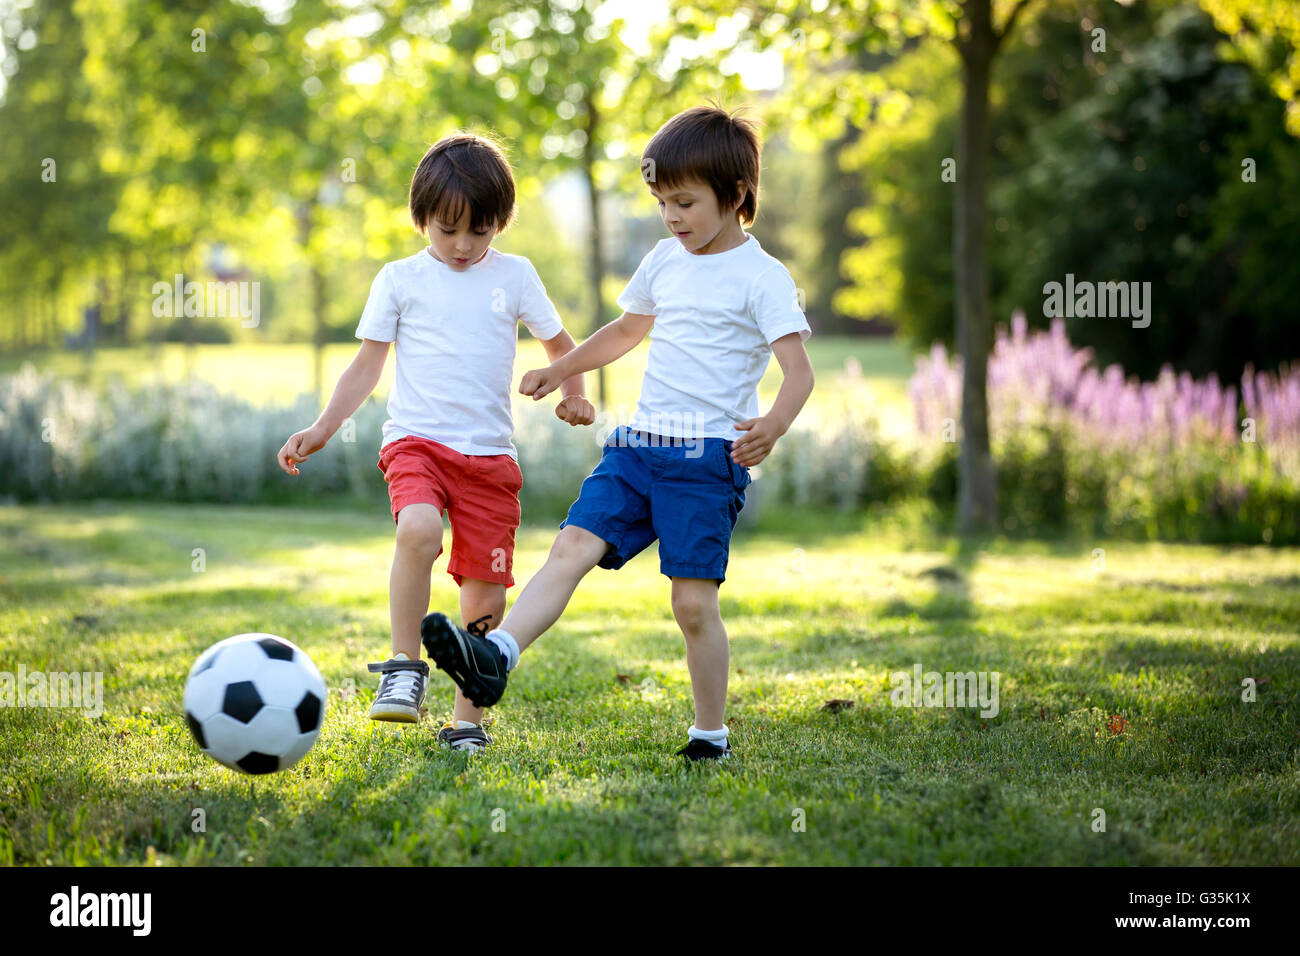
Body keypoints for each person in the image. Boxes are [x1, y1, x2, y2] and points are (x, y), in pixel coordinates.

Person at [421, 104, 815, 761]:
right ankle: (495, 657)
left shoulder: (763, 278)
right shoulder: (665, 260)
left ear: (736, 194)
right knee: (571, 545)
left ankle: (710, 734)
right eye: (663, 202)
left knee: (692, 604)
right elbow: (627, 331)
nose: (672, 217)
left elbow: (798, 372)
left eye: (685, 203)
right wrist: (562, 369)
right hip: (638, 448)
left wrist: (772, 424)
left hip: (707, 457)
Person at [276, 131, 594, 752]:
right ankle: (402, 671)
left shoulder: (517, 275)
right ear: (421, 217)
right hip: (417, 444)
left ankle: (467, 724)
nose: (463, 245)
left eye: (480, 231)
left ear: (501, 223)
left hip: (490, 459)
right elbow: (366, 367)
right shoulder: (398, 279)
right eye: (448, 230)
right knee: (417, 530)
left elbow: (562, 345)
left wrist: (572, 392)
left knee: (484, 590)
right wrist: (322, 429)